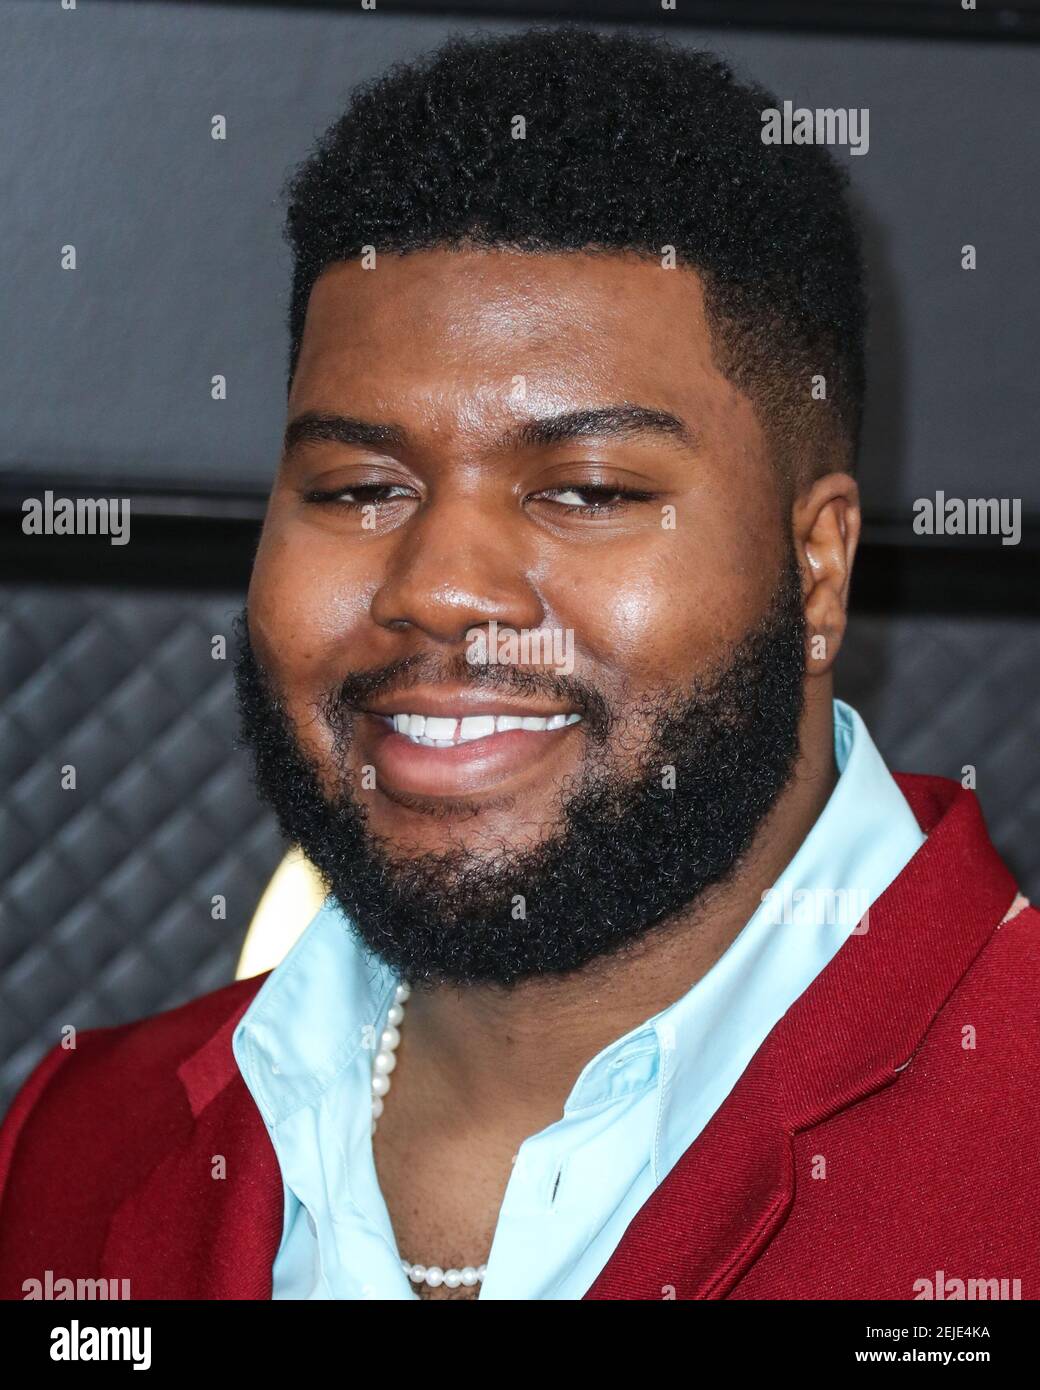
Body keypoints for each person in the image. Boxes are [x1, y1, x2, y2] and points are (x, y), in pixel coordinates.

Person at [1, 25, 1035, 1302]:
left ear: (815, 567)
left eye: (589, 490)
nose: (438, 585)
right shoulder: (71, 1144)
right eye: (359, 485)